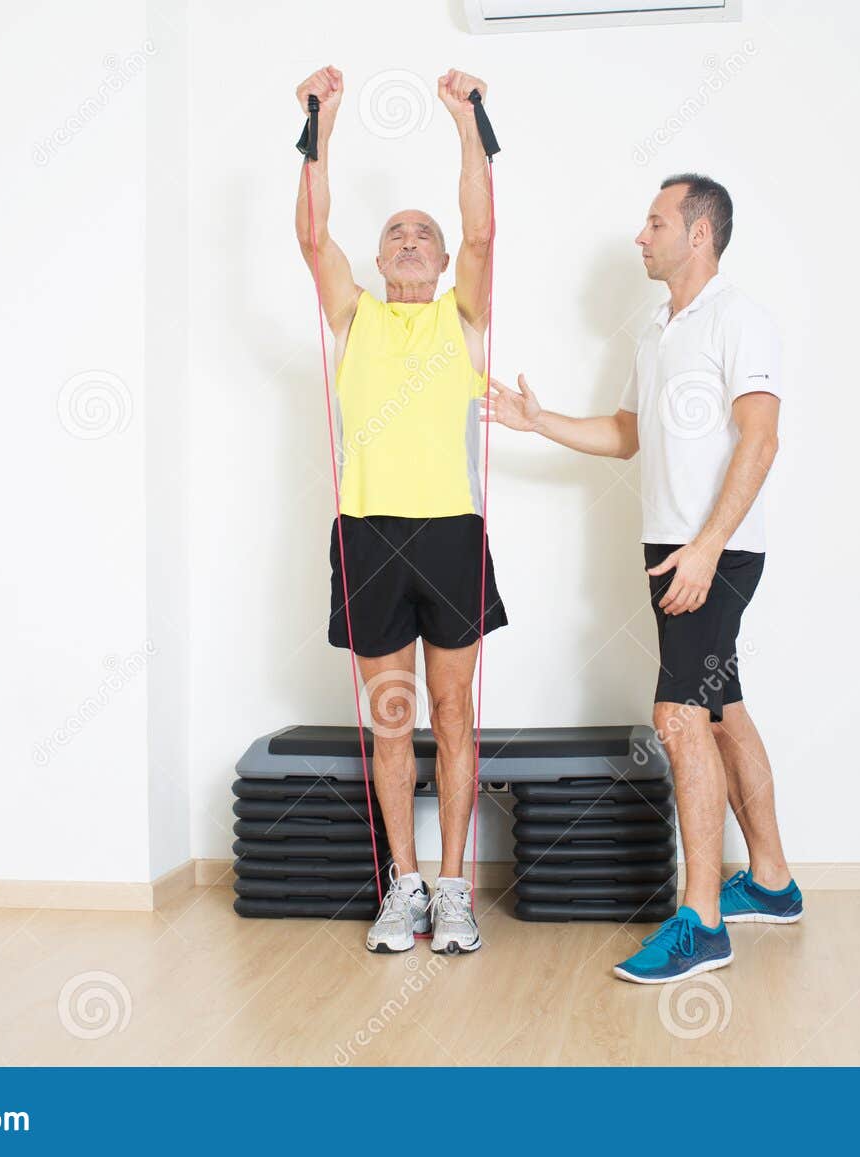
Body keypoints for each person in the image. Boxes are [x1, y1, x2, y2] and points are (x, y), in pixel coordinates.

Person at [484, 174, 801, 984]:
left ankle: (701, 920)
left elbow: (760, 440)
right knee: (721, 711)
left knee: (678, 714)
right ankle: (771, 881)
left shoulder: (740, 318)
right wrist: (540, 420)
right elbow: (627, 434)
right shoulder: (657, 331)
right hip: (669, 547)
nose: (640, 236)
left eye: (655, 222)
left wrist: (705, 547)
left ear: (699, 233)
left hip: (715, 553)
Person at [294, 65, 505, 955]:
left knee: (453, 716)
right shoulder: (354, 317)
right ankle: (404, 886)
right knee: (390, 717)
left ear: (443, 255)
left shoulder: (464, 316)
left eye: (426, 232)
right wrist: (320, 123)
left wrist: (468, 124)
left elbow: (485, 228)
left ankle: (454, 888)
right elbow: (312, 234)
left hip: (452, 531)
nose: (413, 238)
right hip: (369, 533)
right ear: (378, 261)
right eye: (397, 233)